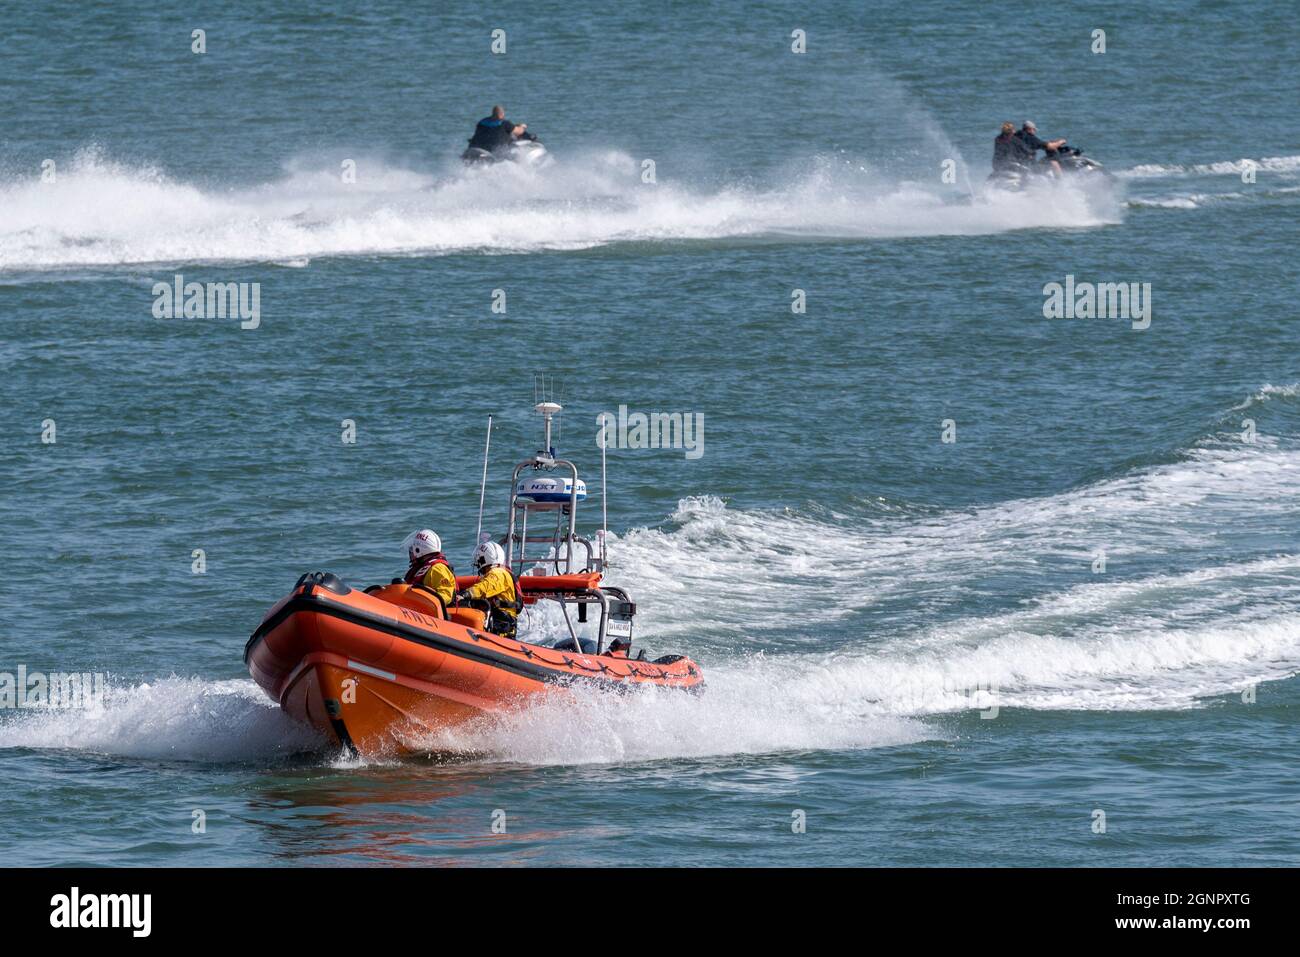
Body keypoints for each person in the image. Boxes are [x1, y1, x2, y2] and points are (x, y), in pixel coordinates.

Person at [455, 541, 521, 637]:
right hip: (501, 623)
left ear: (484, 559)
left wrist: (465, 594)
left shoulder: (498, 573)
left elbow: (484, 588)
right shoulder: (500, 573)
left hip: (502, 625)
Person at [401, 529, 457, 608]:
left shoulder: (437, 568)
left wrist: (425, 604)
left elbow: (446, 594)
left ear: (418, 550)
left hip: (432, 613)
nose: (411, 554)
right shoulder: (422, 568)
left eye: (412, 550)